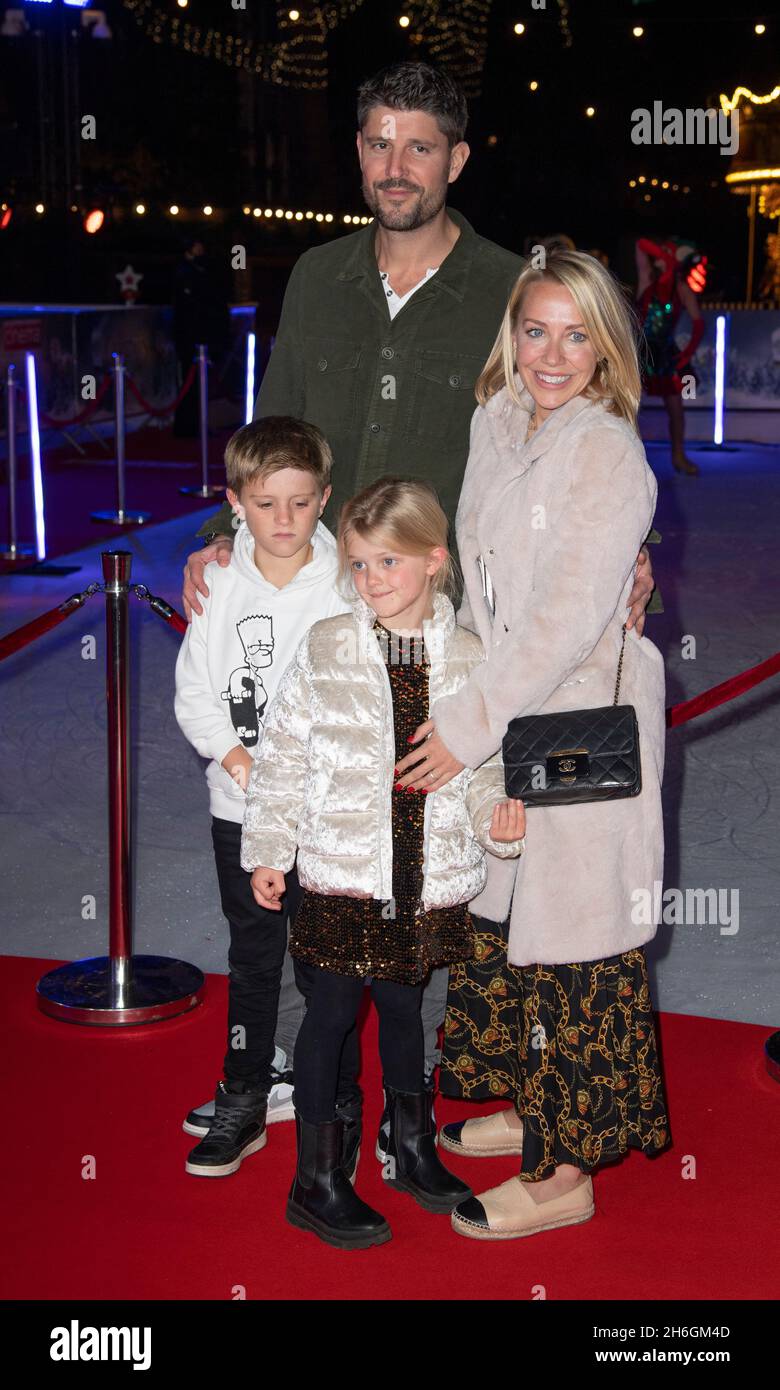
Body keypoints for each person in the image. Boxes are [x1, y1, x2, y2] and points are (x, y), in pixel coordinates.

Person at [180, 60, 657, 1148]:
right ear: (359, 152)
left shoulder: (507, 285)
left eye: (420, 146)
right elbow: (276, 441)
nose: (396, 166)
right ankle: (287, 1073)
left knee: (434, 860)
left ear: (457, 157)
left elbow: (572, 429)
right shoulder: (314, 277)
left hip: (452, 632)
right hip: (312, 611)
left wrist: (633, 551)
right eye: (378, 142)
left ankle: (412, 1091)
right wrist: (232, 536)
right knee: (288, 839)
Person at [393, 249, 670, 1239]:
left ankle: (565, 1173)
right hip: (514, 705)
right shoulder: (499, 420)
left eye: (575, 333)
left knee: (575, 938)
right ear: (511, 331)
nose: (551, 353)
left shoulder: (607, 451)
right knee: (514, 927)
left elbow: (559, 623)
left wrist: (463, 729)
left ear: (605, 347)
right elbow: (489, 583)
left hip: (582, 719)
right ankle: (531, 1105)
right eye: (535, 328)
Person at [239, 477, 526, 1248]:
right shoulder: (330, 643)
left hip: (423, 879)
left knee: (404, 1010)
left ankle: (410, 1145)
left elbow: (479, 767)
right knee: (331, 1013)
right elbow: (285, 754)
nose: (372, 581)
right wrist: (270, 848)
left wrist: (496, 820)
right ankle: (317, 1177)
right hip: (339, 873)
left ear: (435, 560)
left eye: (389, 563)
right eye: (360, 565)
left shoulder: (468, 659)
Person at [174, 416, 359, 1178]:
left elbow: (362, 696)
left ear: (324, 499)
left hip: (323, 813)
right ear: (234, 503)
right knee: (253, 957)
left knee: (323, 962)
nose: (283, 521)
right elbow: (194, 696)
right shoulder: (216, 581)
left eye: (300, 502)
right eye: (264, 503)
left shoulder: (348, 585)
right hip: (240, 809)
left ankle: (331, 1101)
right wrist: (243, 763)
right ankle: (247, 1090)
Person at [635, 235, 705, 476]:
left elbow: (698, 324)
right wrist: (665, 254)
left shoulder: (682, 289)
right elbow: (641, 243)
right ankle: (629, 459)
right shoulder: (646, 279)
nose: (660, 258)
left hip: (665, 351)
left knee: (676, 408)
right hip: (640, 349)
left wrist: (686, 355)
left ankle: (678, 456)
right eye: (660, 255)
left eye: (666, 255)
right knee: (628, 406)